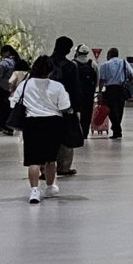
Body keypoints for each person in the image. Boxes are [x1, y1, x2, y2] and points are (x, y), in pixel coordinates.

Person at [12, 55, 69, 204]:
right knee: (51, 159)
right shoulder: (57, 86)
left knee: (33, 160)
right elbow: (64, 106)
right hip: (53, 123)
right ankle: (50, 187)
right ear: (51, 70)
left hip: (32, 123)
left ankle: (34, 191)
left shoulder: (25, 85)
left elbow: (14, 103)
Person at [49, 36, 82, 177]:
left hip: (46, 106)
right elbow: (75, 89)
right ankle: (64, 167)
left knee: (47, 137)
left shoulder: (45, 63)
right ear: (68, 50)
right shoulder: (70, 66)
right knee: (66, 137)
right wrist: (77, 108)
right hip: (65, 106)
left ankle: (45, 169)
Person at [95, 47, 133, 139]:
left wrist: (100, 92)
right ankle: (117, 129)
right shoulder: (124, 62)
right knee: (120, 110)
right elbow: (130, 76)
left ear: (109, 55)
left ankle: (117, 129)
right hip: (121, 89)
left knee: (111, 110)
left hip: (110, 89)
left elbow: (102, 80)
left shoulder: (105, 65)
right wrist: (132, 88)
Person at [0, 43, 27, 134]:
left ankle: (4, 126)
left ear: (7, 52)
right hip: (15, 88)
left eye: (3, 53)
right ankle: (10, 126)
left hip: (4, 88)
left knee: (2, 108)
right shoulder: (17, 61)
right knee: (10, 108)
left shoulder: (5, 62)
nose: (2, 55)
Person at [72, 44, 97, 140]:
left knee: (75, 112)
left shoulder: (73, 64)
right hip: (89, 93)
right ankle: (85, 132)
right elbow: (97, 78)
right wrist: (94, 89)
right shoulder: (92, 64)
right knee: (87, 113)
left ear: (77, 52)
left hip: (76, 93)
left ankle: (76, 132)